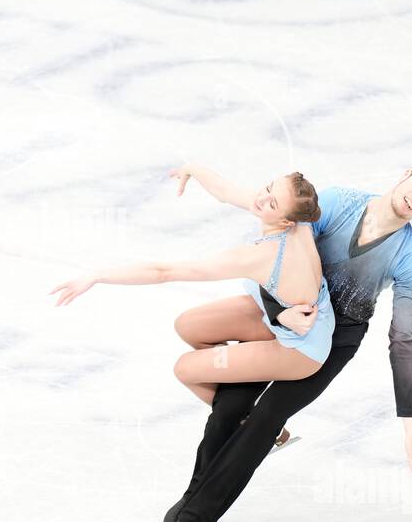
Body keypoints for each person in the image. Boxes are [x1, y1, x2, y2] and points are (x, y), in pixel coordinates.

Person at [160, 156, 412, 522]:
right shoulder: (340, 202)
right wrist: (275, 311)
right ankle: (195, 493)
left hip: (334, 341)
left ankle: (197, 517)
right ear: (407, 174)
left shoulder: (410, 257)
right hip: (286, 316)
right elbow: (279, 247)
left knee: (265, 418)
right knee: (230, 405)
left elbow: (404, 338)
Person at [50, 170, 335, 402]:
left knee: (186, 368)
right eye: (268, 187)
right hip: (294, 319)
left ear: (285, 219)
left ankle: (251, 427)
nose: (262, 198)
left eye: (272, 202)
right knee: (189, 325)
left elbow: (164, 272)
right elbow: (227, 192)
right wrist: (193, 167)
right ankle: (241, 379)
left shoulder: (258, 257)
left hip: (300, 350)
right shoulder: (298, 222)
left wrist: (98, 275)